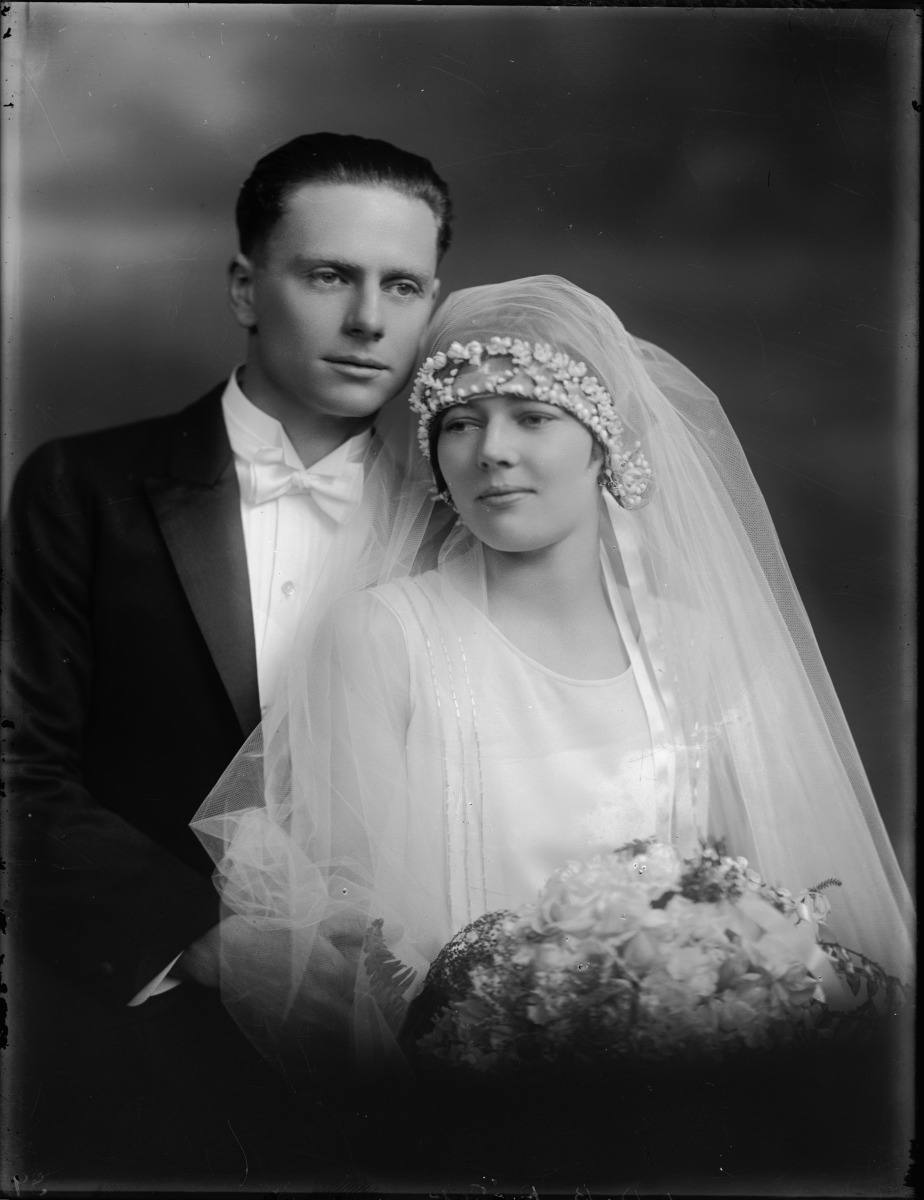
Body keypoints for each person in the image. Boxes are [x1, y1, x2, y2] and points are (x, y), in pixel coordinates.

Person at [193, 276, 914, 1086]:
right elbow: (351, 937)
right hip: (452, 1095)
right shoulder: (382, 636)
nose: (491, 450)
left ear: (605, 443)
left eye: (532, 416)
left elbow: (778, 898)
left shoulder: (694, 647)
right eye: (459, 423)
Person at [2, 131, 450, 1184]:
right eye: (329, 275)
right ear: (247, 286)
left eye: (403, 285)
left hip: (407, 1063)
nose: (368, 321)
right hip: (139, 1052)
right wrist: (200, 939)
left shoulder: (463, 520)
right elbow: (17, 766)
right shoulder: (81, 487)